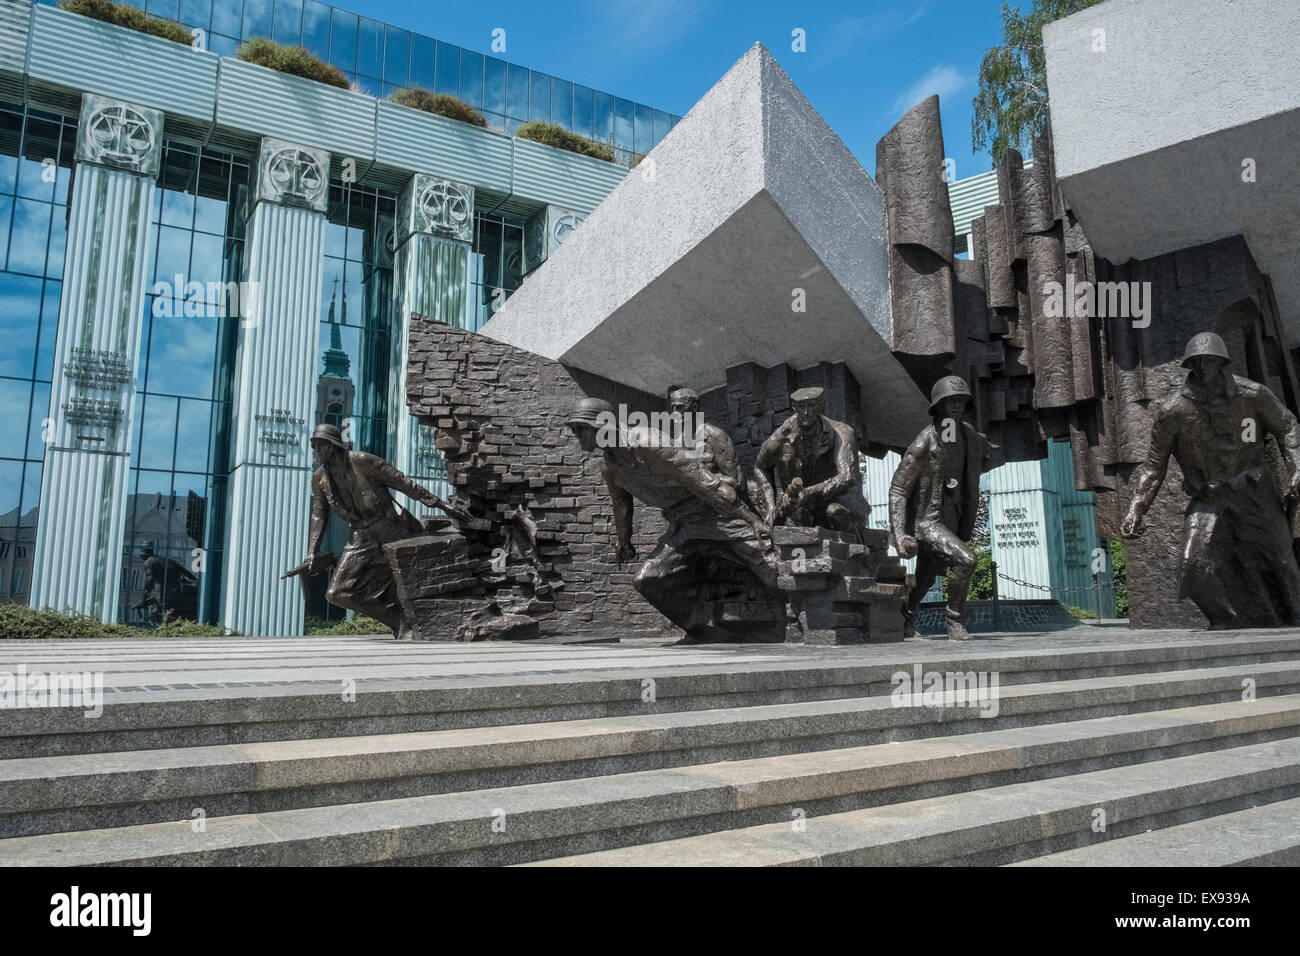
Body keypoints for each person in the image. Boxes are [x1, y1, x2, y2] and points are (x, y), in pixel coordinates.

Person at [1121, 331, 1300, 628]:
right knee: (1192, 566)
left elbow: (1288, 427)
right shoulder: (1173, 410)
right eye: (1197, 362)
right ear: (1190, 365)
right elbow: (1154, 467)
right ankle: (1225, 621)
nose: (1204, 368)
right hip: (1209, 497)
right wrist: (1136, 509)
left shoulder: (1252, 394)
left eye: (1210, 361)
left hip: (1253, 490)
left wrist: (1297, 466)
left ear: (1222, 362)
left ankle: (1296, 613)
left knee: (1280, 556)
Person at [566, 397, 775, 642]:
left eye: (580, 428)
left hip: (717, 514)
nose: (577, 434)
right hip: (682, 525)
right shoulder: (610, 467)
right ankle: (710, 634)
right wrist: (624, 541)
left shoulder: (646, 441)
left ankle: (796, 619)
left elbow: (702, 481)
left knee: (770, 570)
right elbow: (621, 505)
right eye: (574, 429)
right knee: (647, 580)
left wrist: (750, 519)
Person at [297, 423, 459, 638]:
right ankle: (398, 621)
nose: (317, 449)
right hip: (360, 536)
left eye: (321, 445)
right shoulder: (320, 478)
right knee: (336, 593)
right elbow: (318, 515)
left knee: (409, 583)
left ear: (334, 444)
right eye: (314, 445)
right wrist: (311, 552)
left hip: (391, 529)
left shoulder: (362, 461)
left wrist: (439, 504)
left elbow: (403, 482)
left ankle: (414, 624)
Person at [889, 375, 992, 641]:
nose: (956, 405)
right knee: (966, 560)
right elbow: (899, 489)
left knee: (925, 578)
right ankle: (954, 622)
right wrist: (900, 534)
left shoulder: (969, 435)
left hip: (954, 518)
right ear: (939, 406)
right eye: (950, 401)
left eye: (961, 400)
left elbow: (975, 461)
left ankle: (904, 618)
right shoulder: (924, 443)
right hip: (928, 523)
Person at [751, 386, 870, 540]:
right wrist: (771, 507)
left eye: (812, 406)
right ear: (794, 407)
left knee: (835, 512)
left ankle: (858, 549)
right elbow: (760, 467)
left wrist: (809, 492)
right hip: (803, 504)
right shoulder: (780, 437)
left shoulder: (843, 432)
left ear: (821, 405)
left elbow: (846, 477)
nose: (806, 412)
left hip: (838, 497)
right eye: (801, 407)